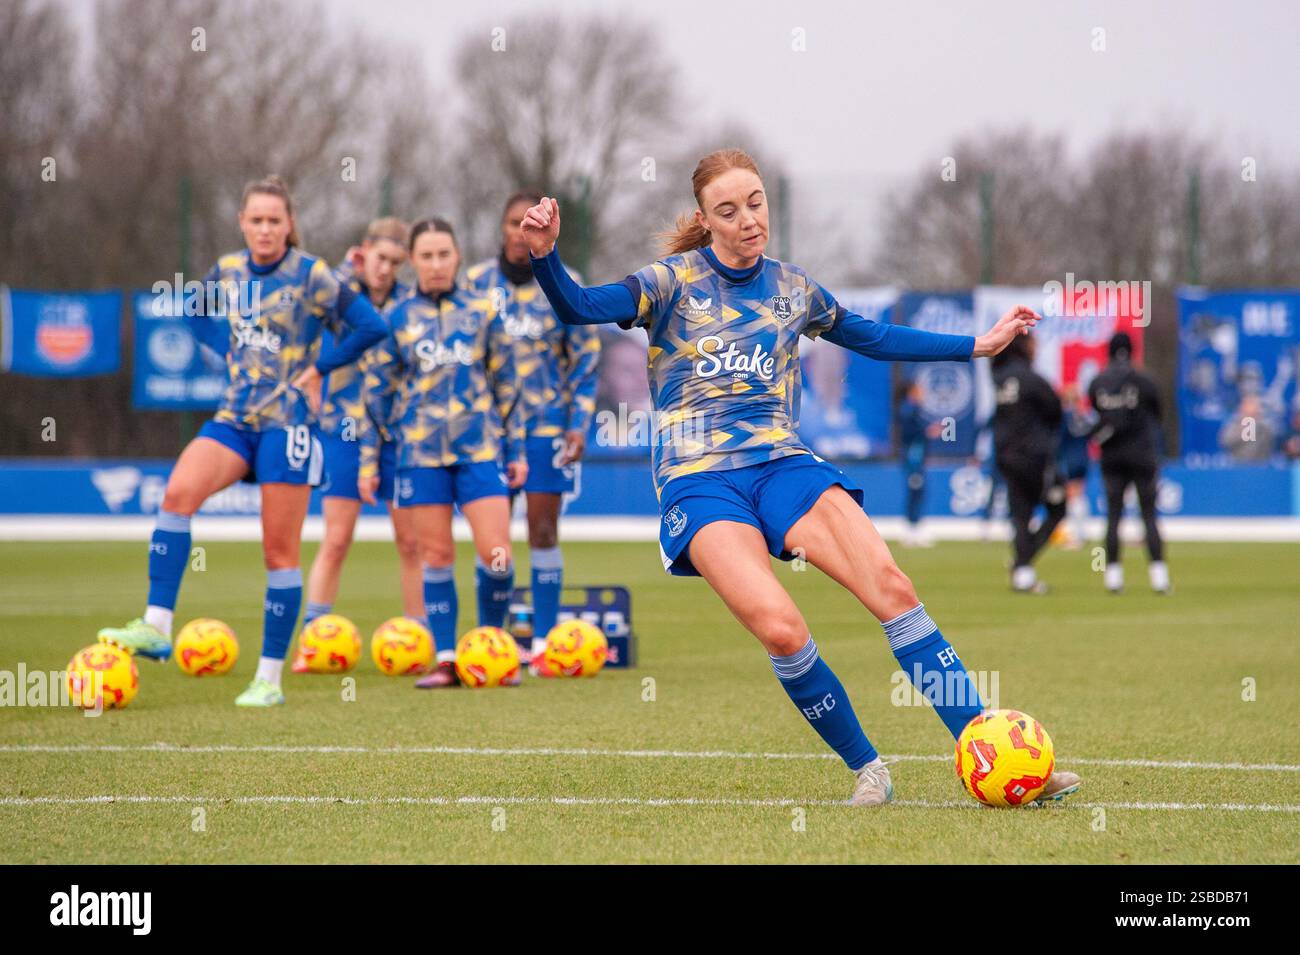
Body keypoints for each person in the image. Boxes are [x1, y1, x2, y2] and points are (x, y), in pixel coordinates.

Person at [520, 148, 1081, 806]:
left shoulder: (793, 288)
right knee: (782, 629)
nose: (748, 219)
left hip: (783, 465)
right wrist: (545, 256)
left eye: (755, 202)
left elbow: (873, 337)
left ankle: (990, 746)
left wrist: (977, 346)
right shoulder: (668, 283)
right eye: (728, 210)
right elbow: (579, 306)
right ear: (705, 218)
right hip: (699, 483)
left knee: (892, 586)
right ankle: (868, 767)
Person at [98, 175, 387, 706]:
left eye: (275, 220)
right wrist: (225, 349)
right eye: (255, 220)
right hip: (235, 419)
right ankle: (157, 624)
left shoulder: (311, 275)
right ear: (242, 222)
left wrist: (321, 366)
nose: (265, 229)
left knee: (278, 553)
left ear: (289, 225)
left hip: (290, 424)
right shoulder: (228, 270)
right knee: (177, 495)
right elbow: (194, 310)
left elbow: (371, 328)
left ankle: (269, 679)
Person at [360, 217, 528, 688]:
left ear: (457, 256)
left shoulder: (483, 312)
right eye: (426, 256)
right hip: (418, 457)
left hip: (479, 452)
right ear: (412, 262)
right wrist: (370, 463)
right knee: (435, 555)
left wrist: (516, 449)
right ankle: (448, 659)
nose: (435, 264)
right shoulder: (395, 319)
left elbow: (507, 386)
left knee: (497, 554)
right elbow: (377, 396)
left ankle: (493, 648)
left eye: (444, 254)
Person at [465, 191, 600, 670]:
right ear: (502, 228)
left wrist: (579, 424)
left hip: (548, 427)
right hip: (489, 432)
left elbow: (585, 361)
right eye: (510, 221)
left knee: (543, 531)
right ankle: (490, 640)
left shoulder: (565, 282)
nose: (517, 229)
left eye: (526, 219)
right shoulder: (475, 285)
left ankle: (544, 644)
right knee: (494, 542)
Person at [302, 218, 422, 639]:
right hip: (343, 432)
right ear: (363, 253)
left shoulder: (410, 305)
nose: (385, 268)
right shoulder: (340, 295)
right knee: (336, 541)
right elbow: (307, 300)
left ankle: (418, 636)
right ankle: (314, 636)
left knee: (410, 544)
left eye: (394, 261)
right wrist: (344, 269)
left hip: (398, 438)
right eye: (378, 258)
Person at [1089, 331, 1169, 594]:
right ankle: (1159, 578)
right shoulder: (1144, 380)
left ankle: (1113, 578)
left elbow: (1095, 415)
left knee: (1113, 516)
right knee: (1149, 514)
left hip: (1111, 456)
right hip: (1142, 455)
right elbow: (1158, 416)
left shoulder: (1098, 382)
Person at [991, 334, 1065, 593]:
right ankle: (1023, 562)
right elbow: (1056, 411)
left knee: (1021, 515)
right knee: (1057, 507)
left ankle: (1022, 570)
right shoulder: (1031, 379)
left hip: (1006, 455)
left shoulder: (1000, 378)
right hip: (1034, 457)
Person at [895, 379, 942, 547]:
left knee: (918, 492)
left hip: (916, 458)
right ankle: (911, 530)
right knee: (915, 492)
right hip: (913, 460)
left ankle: (915, 528)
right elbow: (909, 433)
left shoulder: (912, 409)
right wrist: (927, 432)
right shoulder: (908, 409)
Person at [1053, 385, 1096, 550]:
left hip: (1068, 459)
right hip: (1085, 459)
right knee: (1079, 494)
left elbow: (1057, 439)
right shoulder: (1084, 417)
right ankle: (1082, 532)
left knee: (1071, 497)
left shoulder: (1064, 417)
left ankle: (1076, 537)